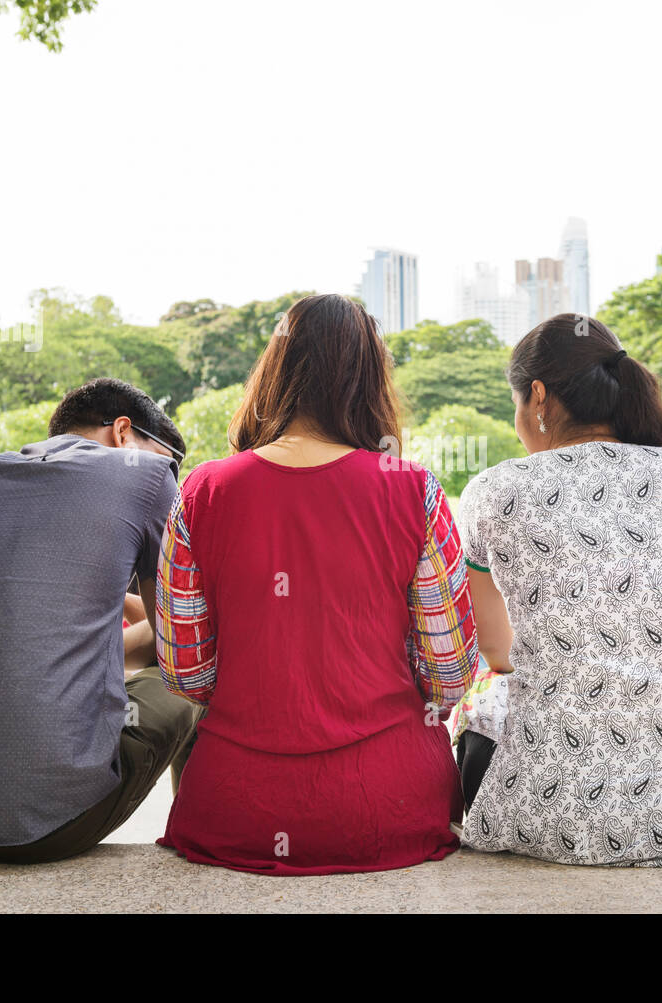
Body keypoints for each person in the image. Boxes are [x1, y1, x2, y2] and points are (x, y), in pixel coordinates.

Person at [449, 315, 662, 867]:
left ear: (537, 397)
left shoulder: (496, 490)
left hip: (555, 813)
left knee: (481, 705)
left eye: (516, 402)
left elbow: (496, 651)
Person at [154, 292, 479, 875]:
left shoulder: (203, 491)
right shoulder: (412, 489)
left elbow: (186, 673)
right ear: (371, 380)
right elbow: (449, 671)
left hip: (234, 806)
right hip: (389, 805)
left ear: (273, 374)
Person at [0, 378, 202, 863]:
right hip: (48, 823)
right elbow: (176, 648)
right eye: (172, 458)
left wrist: (114, 610)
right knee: (199, 675)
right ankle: (201, 840)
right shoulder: (147, 476)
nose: (174, 474)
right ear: (123, 433)